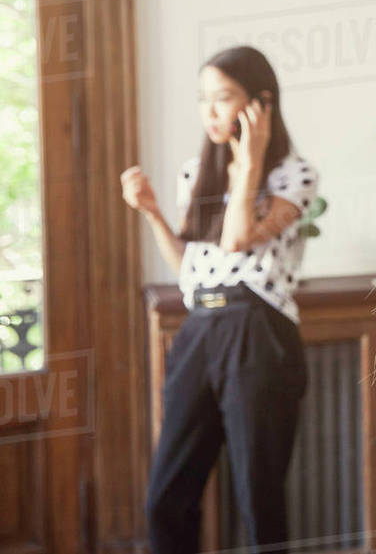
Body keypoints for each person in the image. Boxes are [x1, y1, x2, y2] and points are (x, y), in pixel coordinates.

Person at [121, 45, 319, 553]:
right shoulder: (196, 173)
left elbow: (236, 241)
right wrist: (151, 213)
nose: (209, 110)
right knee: (166, 499)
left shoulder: (294, 175)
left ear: (259, 105)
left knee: (258, 501)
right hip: (199, 330)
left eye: (223, 97)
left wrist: (248, 161)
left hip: (257, 330)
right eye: (202, 99)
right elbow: (191, 268)